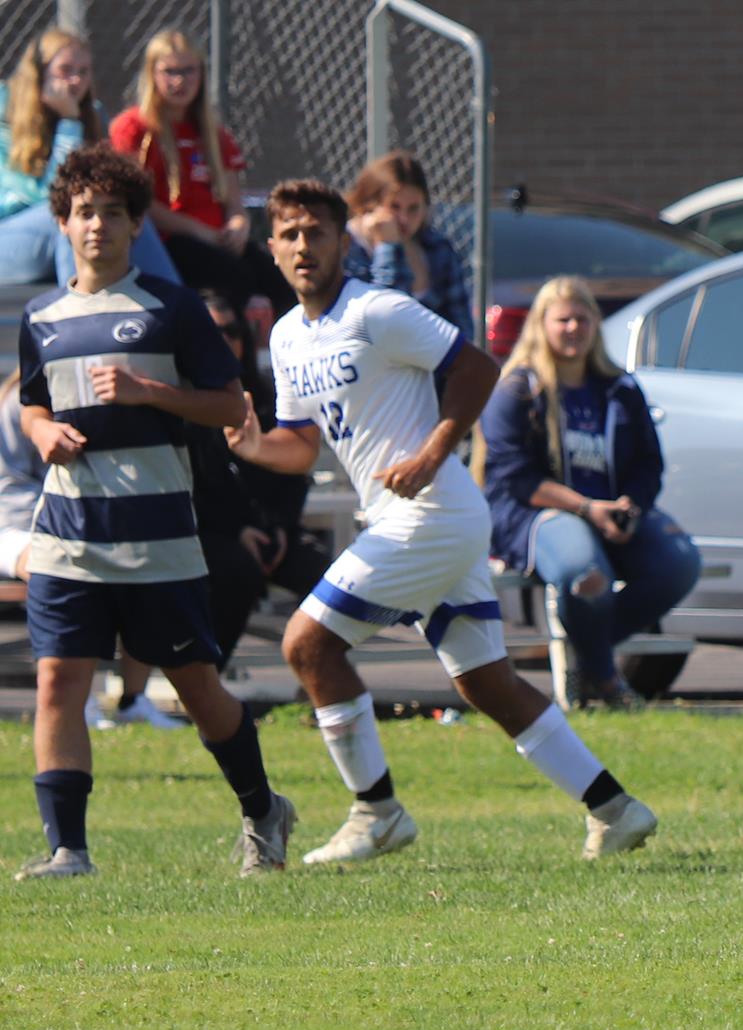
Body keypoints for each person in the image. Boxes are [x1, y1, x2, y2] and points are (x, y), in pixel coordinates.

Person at [225, 178, 657, 864]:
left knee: (307, 644)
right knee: (483, 681)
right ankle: (615, 807)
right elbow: (302, 445)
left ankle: (378, 811)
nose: (304, 246)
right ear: (272, 247)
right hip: (408, 517)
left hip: (432, 511)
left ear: (345, 241)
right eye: (290, 234)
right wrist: (252, 447)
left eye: (317, 232)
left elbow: (478, 366)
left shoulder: (378, 311)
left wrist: (432, 452)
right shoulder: (285, 338)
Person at [15, 143, 294, 880]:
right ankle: (67, 850)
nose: (97, 225)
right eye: (84, 213)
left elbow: (231, 403)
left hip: (160, 538)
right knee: (58, 681)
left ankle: (263, 807)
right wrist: (43, 431)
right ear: (64, 225)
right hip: (68, 535)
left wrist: (149, 393)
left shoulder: (171, 309)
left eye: (113, 213)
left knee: (198, 690)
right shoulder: (42, 315)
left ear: (138, 224)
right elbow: (32, 399)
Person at [476, 276, 700, 707]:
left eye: (582, 319)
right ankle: (607, 680)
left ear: (597, 324)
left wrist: (631, 507)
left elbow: (649, 464)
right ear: (542, 325)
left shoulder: (620, 389)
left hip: (609, 510)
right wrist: (586, 508)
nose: (573, 329)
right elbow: (515, 478)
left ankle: (585, 652)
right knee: (585, 573)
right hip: (535, 512)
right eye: (563, 320)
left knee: (680, 563)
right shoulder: (518, 390)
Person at [2, 367, 187, 730]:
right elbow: (10, 490)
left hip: (79, 519)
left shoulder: (88, 398)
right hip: (18, 526)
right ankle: (76, 700)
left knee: (143, 562)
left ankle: (133, 699)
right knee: (58, 570)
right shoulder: (18, 403)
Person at [188, 288, 329, 663]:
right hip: (205, 531)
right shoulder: (182, 400)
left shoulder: (264, 394)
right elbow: (190, 487)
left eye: (232, 331)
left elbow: (293, 473)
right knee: (238, 570)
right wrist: (236, 531)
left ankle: (320, 678)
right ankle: (208, 684)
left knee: (327, 577)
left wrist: (279, 528)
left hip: (269, 529)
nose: (224, 341)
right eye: (212, 332)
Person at [107, 29, 279, 313]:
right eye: (169, 71)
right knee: (235, 279)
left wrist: (238, 227)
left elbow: (234, 204)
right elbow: (139, 204)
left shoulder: (214, 134)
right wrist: (199, 231)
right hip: (170, 243)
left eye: (188, 71)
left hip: (217, 240)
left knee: (277, 280)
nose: (179, 81)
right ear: (152, 74)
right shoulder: (133, 128)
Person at [0, 28, 179, 287]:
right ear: (39, 74)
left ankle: (180, 315)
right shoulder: (5, 111)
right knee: (69, 220)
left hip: (49, 234)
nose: (75, 81)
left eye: (83, 72)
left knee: (126, 214)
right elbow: (40, 198)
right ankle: (81, 319)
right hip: (9, 237)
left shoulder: (91, 115)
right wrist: (69, 126)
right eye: (66, 70)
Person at [343, 150, 472, 340]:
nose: (404, 219)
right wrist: (386, 248)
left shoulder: (436, 249)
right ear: (370, 205)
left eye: (414, 208)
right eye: (394, 207)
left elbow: (461, 327)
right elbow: (385, 318)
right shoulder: (346, 249)